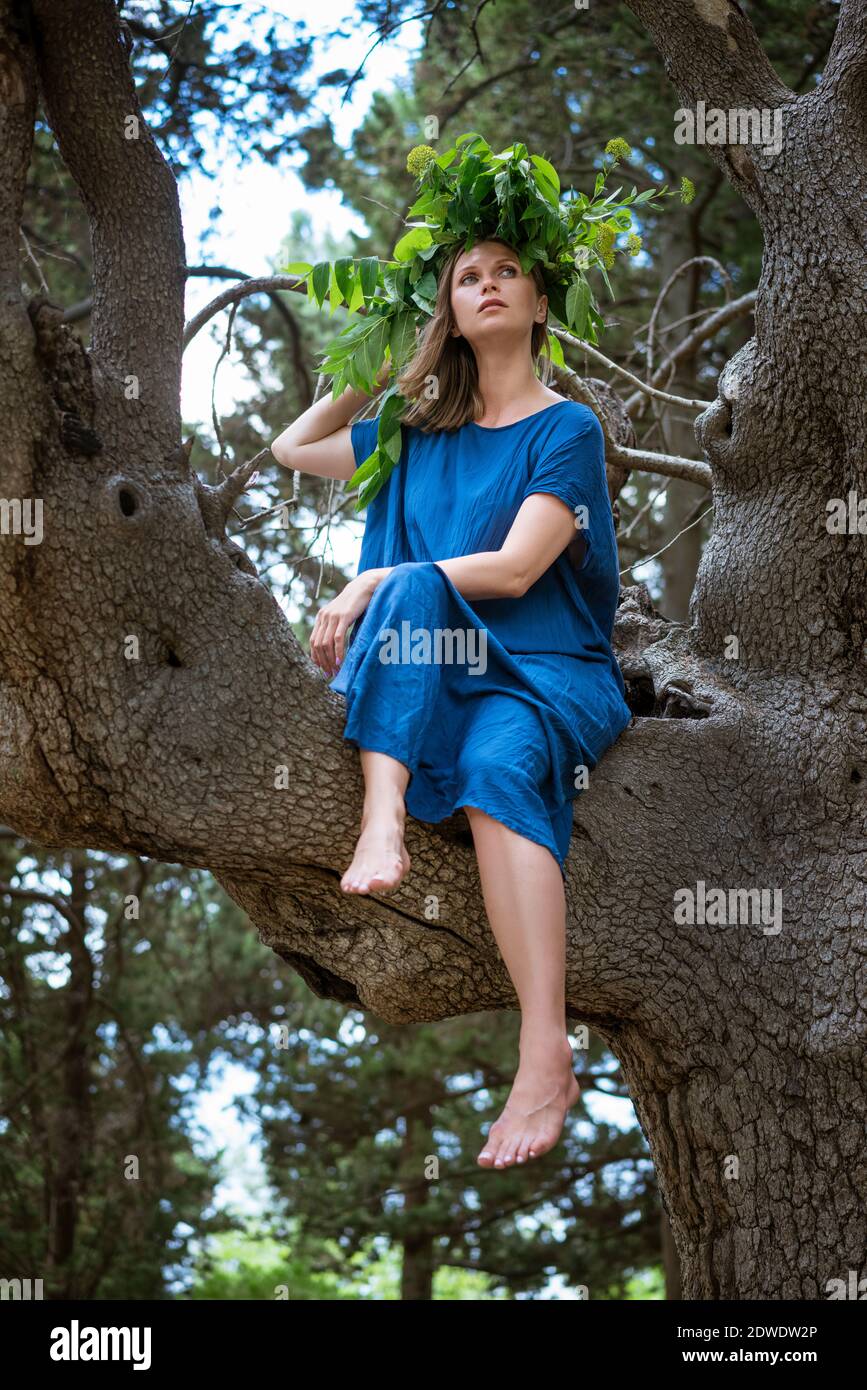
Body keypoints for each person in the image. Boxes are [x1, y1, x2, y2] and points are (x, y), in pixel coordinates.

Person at [270, 237, 633, 1170]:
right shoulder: (416, 433)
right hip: (437, 666)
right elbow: (293, 446)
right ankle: (381, 821)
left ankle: (543, 1049)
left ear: (540, 302)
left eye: (506, 271)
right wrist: (376, 362)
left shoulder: (567, 429)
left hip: (549, 667)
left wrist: (376, 579)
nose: (486, 286)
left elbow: (515, 569)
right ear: (451, 312)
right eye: (466, 279)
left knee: (491, 766)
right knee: (413, 591)